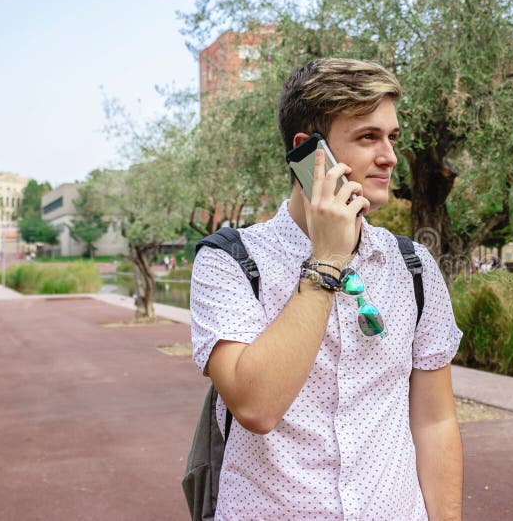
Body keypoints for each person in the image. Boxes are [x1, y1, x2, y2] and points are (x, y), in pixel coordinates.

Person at [190, 58, 463, 520]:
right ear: (310, 152)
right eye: (367, 137)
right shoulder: (229, 261)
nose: (389, 157)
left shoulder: (414, 267)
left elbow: (435, 422)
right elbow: (256, 407)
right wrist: (326, 262)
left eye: (391, 137)